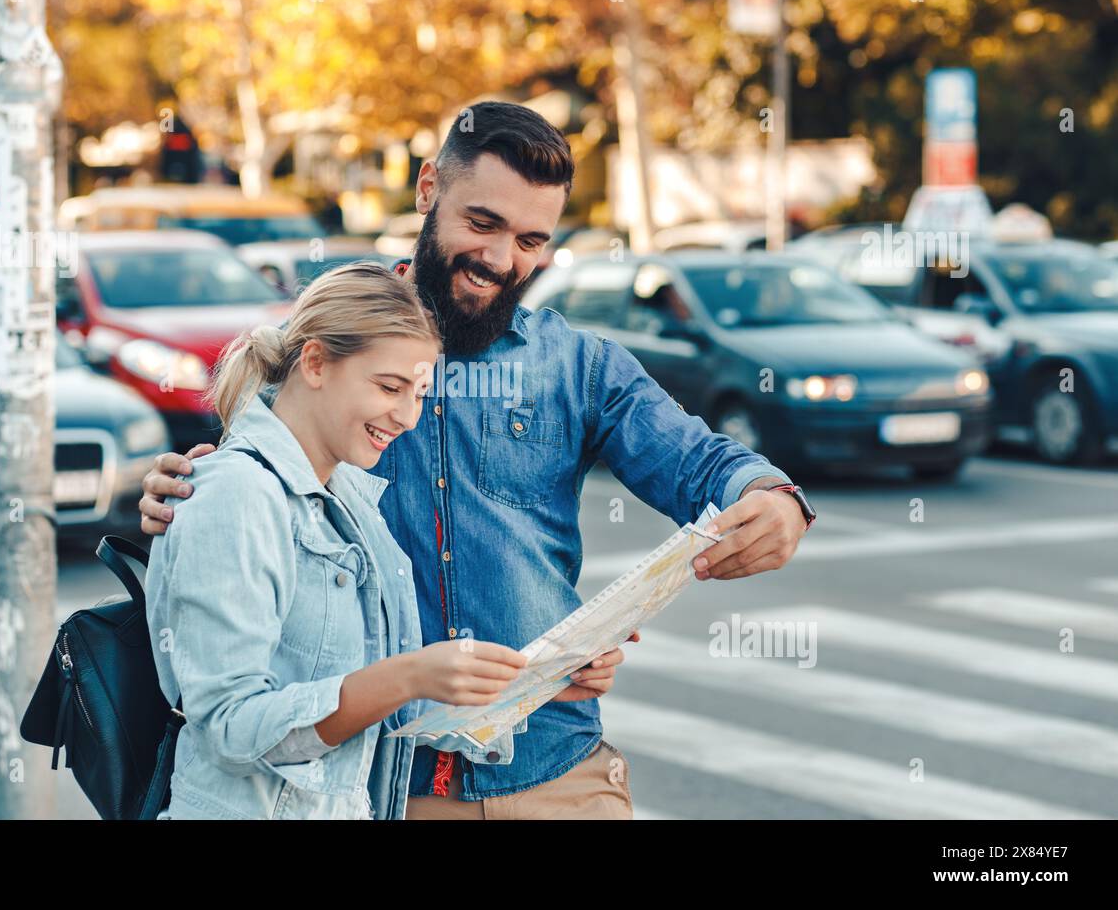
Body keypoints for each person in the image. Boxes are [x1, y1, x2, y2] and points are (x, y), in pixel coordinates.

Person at [141, 102, 813, 819]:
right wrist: (177, 494)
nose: (501, 260)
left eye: (531, 240)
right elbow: (243, 513)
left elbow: (700, 462)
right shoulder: (324, 347)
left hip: (559, 774)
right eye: (483, 224)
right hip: (387, 785)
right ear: (428, 189)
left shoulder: (577, 366)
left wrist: (770, 497)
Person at [145, 261, 528, 819]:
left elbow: (382, 707)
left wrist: (526, 682)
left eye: (420, 393)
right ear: (317, 362)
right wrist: (405, 675)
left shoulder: (351, 497)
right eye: (390, 387)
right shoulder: (238, 494)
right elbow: (229, 725)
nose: (406, 416)